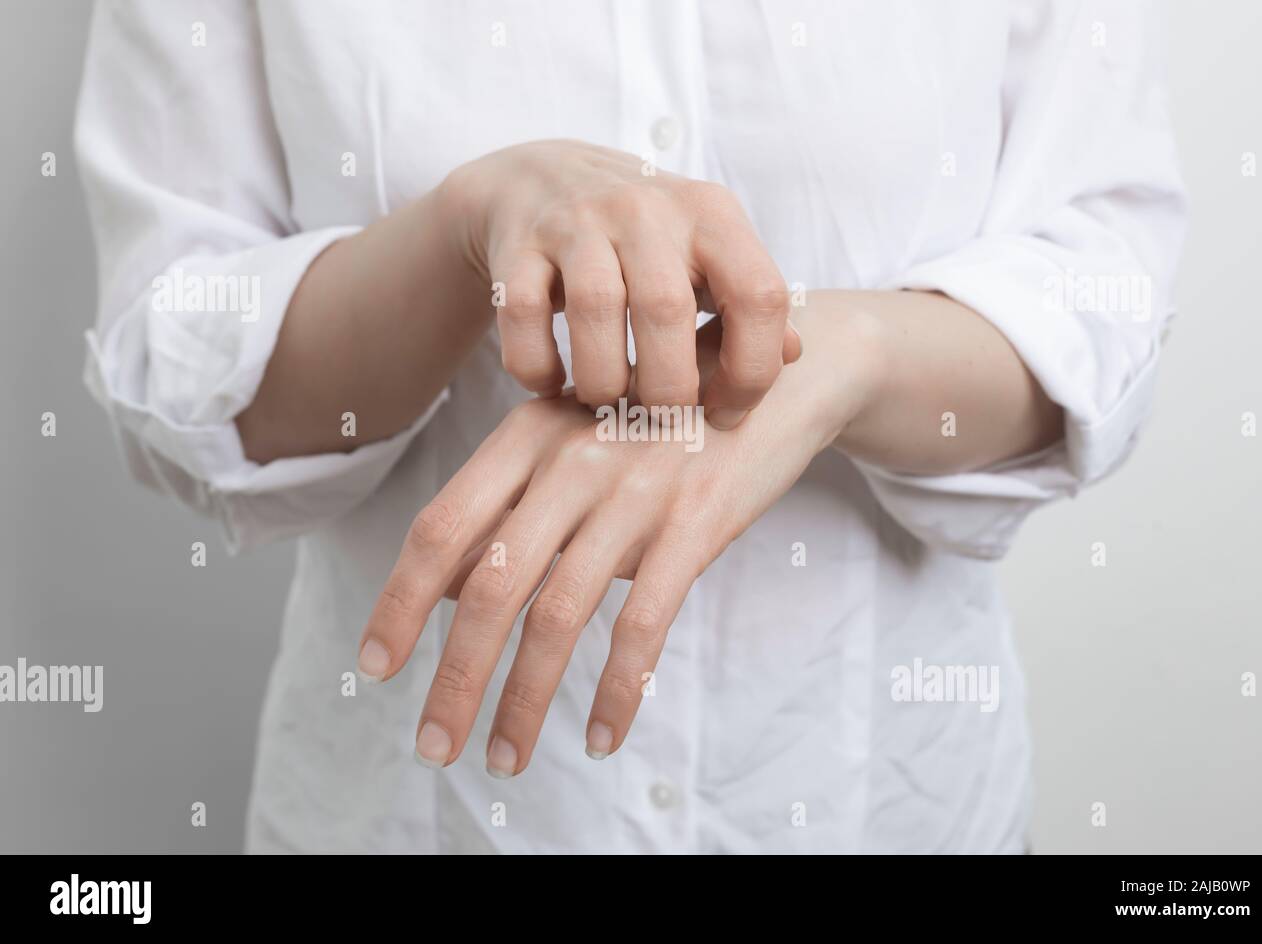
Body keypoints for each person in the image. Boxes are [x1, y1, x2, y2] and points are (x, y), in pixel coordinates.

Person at [78, 1, 1185, 853]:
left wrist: (822, 365)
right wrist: (464, 226)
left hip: (894, 808)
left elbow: (1099, 289)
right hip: (417, 819)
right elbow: (176, 360)